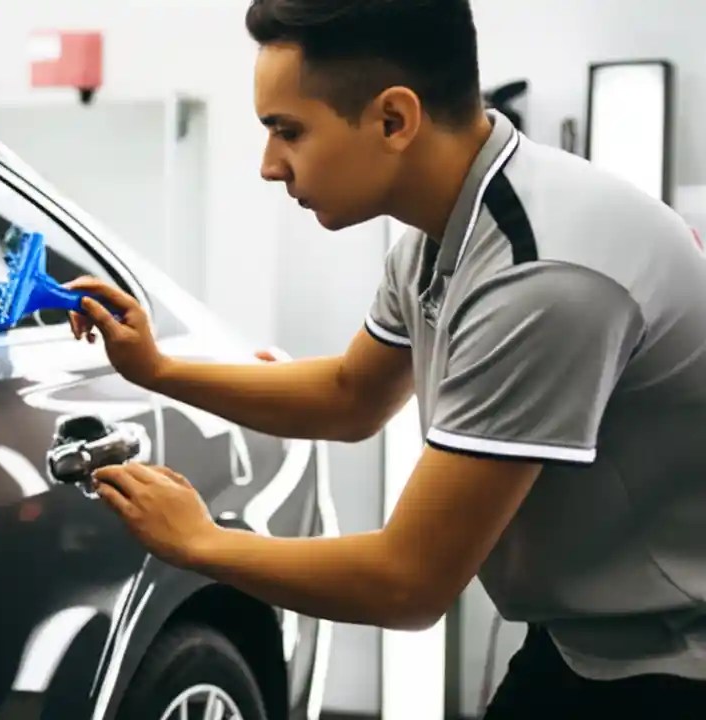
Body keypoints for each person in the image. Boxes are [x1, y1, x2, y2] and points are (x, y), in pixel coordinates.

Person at [64, 0, 706, 716]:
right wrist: (156, 369)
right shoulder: (446, 232)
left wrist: (200, 543)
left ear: (394, 119)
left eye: (288, 131)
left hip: (676, 666)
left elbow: (408, 583)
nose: (270, 166)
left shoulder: (543, 277)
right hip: (587, 644)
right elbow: (350, 396)